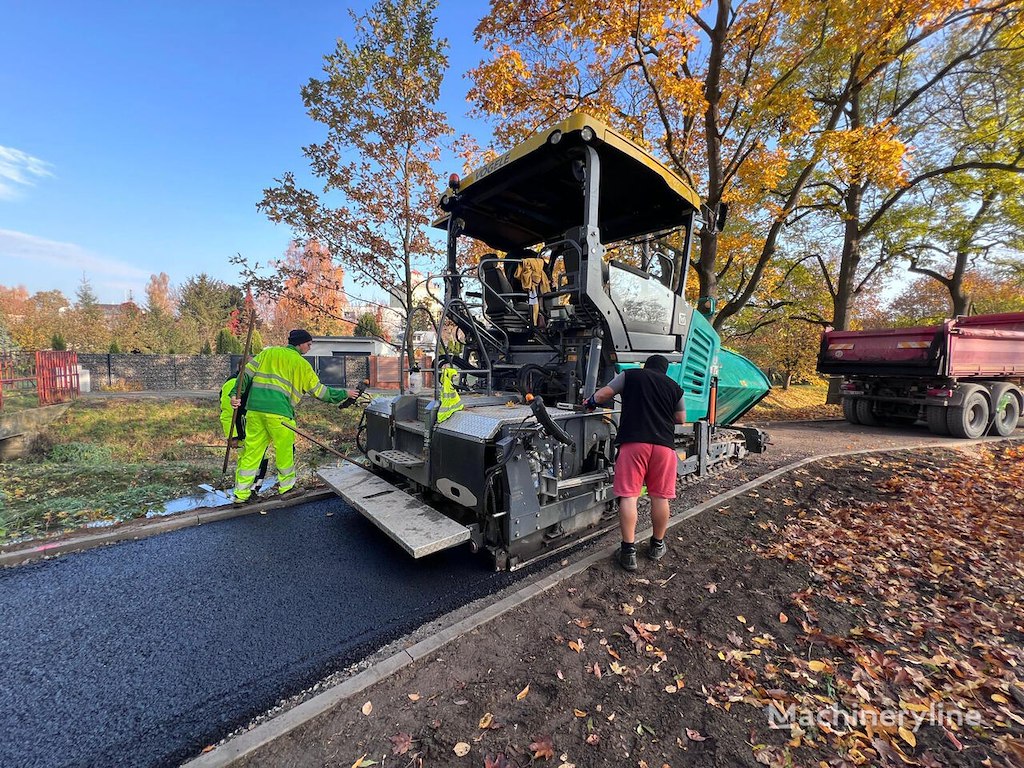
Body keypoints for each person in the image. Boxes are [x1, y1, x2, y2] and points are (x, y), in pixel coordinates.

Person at [584, 354, 686, 571]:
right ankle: (657, 545)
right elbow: (681, 419)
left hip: (634, 444)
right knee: (660, 497)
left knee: (630, 496)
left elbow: (603, 395)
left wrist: (590, 402)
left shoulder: (630, 376)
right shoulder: (674, 387)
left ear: (645, 366)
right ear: (665, 370)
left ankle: (628, 552)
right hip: (663, 447)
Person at [230, 329, 351, 503]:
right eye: (308, 344)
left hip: (254, 411)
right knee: (284, 450)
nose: (309, 348)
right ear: (300, 343)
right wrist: (345, 393)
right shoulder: (301, 364)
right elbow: (321, 392)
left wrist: (236, 394)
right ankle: (286, 488)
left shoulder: (267, 353)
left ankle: (241, 494)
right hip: (280, 414)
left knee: (252, 451)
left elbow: (245, 376)